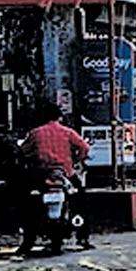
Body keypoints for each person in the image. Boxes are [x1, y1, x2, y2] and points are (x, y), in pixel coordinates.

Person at [17, 105, 92, 256]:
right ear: (60, 117)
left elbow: (23, 151)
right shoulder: (68, 132)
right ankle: (82, 237)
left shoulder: (35, 133)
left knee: (27, 204)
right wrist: (78, 159)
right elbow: (84, 147)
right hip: (65, 174)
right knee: (80, 200)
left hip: (41, 175)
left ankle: (28, 241)